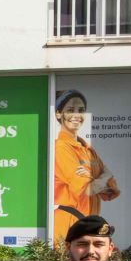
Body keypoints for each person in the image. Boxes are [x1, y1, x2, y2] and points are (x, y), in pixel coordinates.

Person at [52, 88, 120, 246]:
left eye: (81, 110)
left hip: (90, 225)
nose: (76, 115)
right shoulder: (61, 148)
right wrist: (102, 177)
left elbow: (112, 190)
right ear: (58, 114)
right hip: (68, 223)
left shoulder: (88, 149)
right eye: (70, 110)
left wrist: (96, 179)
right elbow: (89, 189)